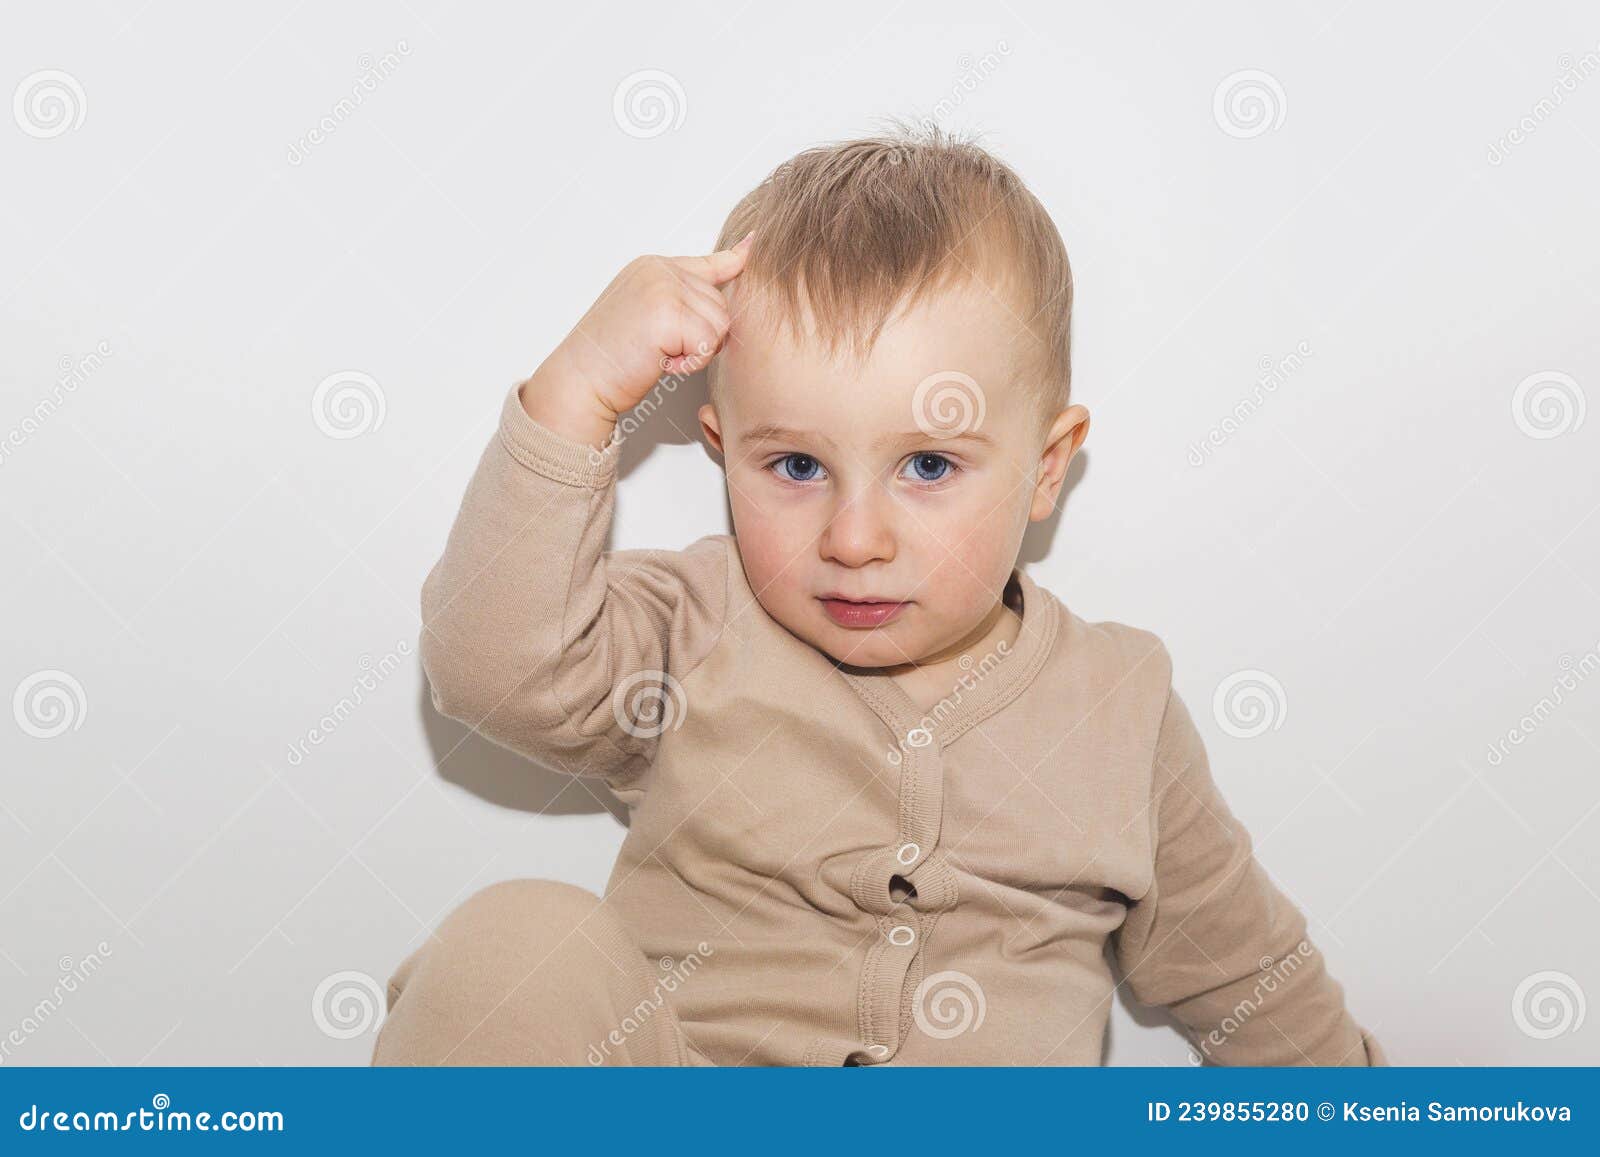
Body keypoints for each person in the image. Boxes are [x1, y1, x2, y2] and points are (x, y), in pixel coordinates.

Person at [371, 124, 1387, 1067]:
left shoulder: (1117, 703)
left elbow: (1249, 979)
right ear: (723, 452)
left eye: (930, 465)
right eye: (798, 467)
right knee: (514, 943)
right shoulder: (690, 629)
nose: (854, 540)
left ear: (1046, 467)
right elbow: (492, 668)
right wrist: (577, 397)